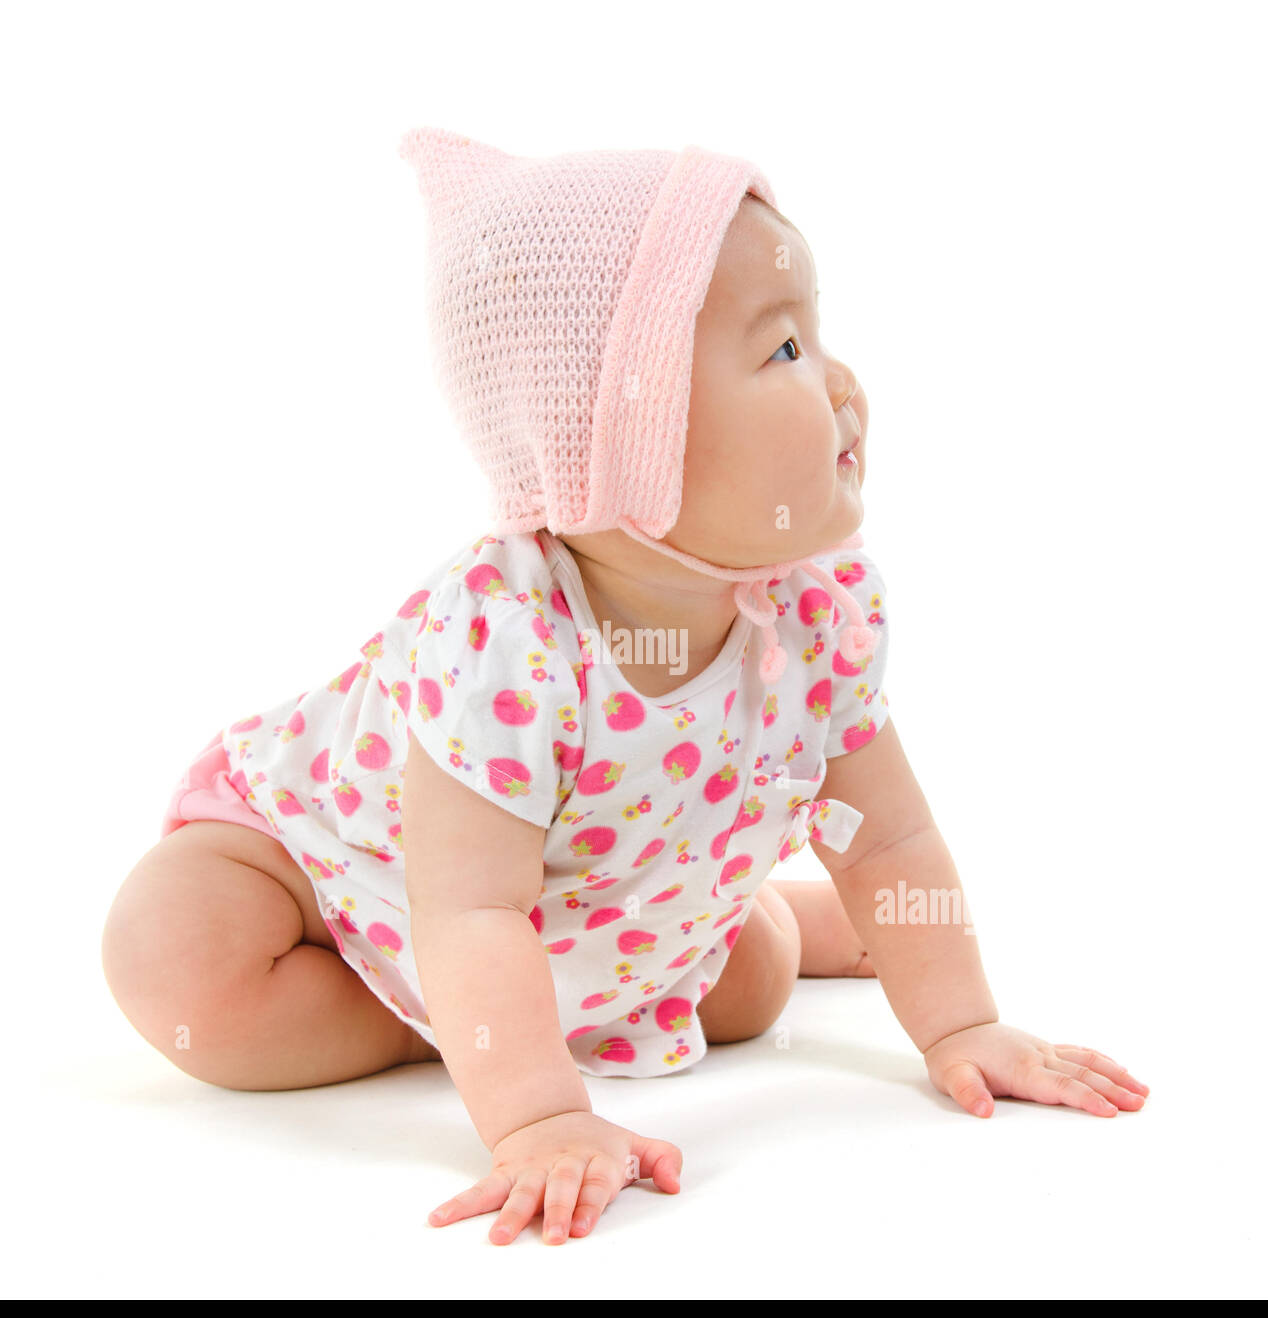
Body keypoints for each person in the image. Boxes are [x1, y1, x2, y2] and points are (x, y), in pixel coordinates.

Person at [101, 127, 1150, 1248]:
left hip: (588, 919)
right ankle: (437, 1022)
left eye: (815, 335)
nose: (841, 381)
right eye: (784, 351)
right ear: (625, 447)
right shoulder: (507, 646)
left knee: (746, 987)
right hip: (359, 881)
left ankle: (767, 923)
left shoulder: (816, 615)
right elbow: (470, 907)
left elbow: (884, 840)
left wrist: (963, 1024)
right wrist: (539, 1112)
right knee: (176, 953)